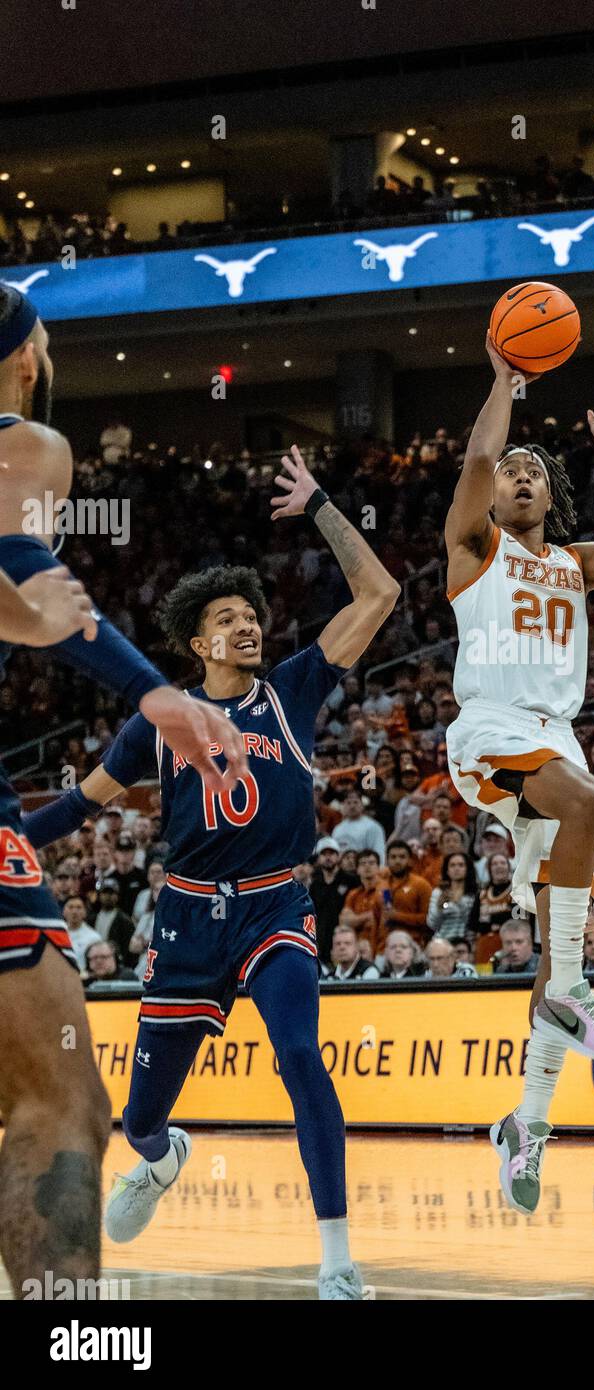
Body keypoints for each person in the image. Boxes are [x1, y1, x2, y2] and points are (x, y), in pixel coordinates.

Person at [24, 443, 399, 1300]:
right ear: (198, 642)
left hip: (276, 910)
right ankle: (161, 1161)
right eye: (227, 618)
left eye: (251, 613)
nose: (246, 625)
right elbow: (80, 807)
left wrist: (320, 507)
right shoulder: (157, 721)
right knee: (144, 1118)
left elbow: (380, 594)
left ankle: (337, 1258)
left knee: (301, 1054)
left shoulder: (293, 690)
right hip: (189, 922)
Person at [0, 285, 246, 1296]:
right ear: (24, 355)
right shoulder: (28, 442)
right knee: (61, 1104)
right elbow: (23, 574)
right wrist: (158, 696)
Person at [444, 333, 594, 1214]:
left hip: (553, 740)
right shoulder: (475, 549)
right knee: (592, 800)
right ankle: (574, 991)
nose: (522, 476)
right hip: (492, 730)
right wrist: (502, 385)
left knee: (549, 945)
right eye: (513, 471)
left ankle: (527, 1124)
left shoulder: (571, 563)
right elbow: (479, 452)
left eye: (536, 470)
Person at [427, 851, 479, 941]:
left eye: (461, 865)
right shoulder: (438, 892)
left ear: (467, 869)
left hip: (466, 944)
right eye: (452, 865)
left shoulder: (475, 894)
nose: (456, 868)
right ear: (447, 871)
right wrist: (439, 908)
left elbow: (473, 923)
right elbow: (432, 925)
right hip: (442, 943)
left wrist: (458, 902)